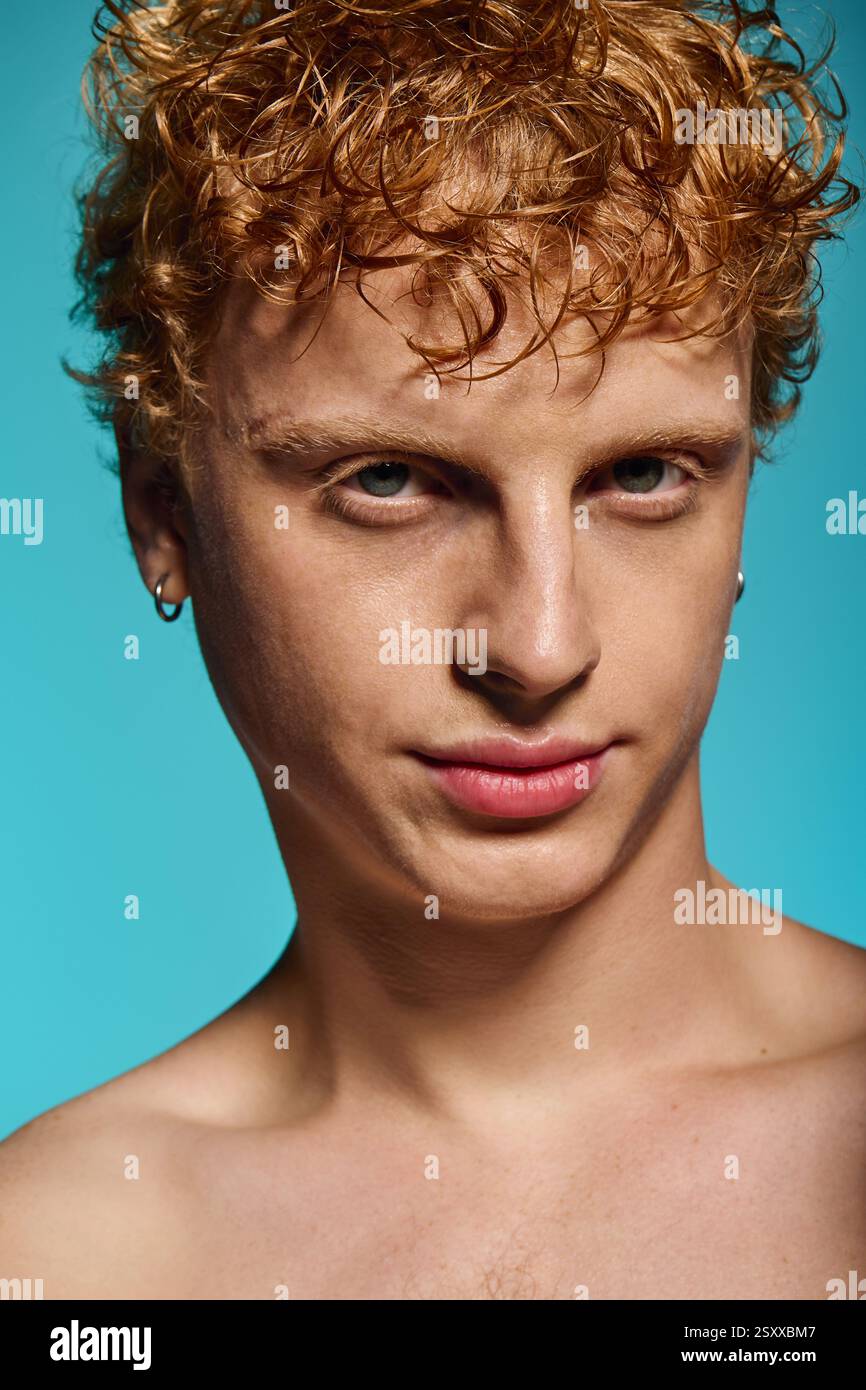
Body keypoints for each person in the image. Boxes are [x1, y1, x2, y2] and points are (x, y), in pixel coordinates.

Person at [2, 0, 864, 1300]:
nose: (537, 643)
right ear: (161, 511)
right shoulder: (58, 1262)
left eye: (641, 473)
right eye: (389, 480)